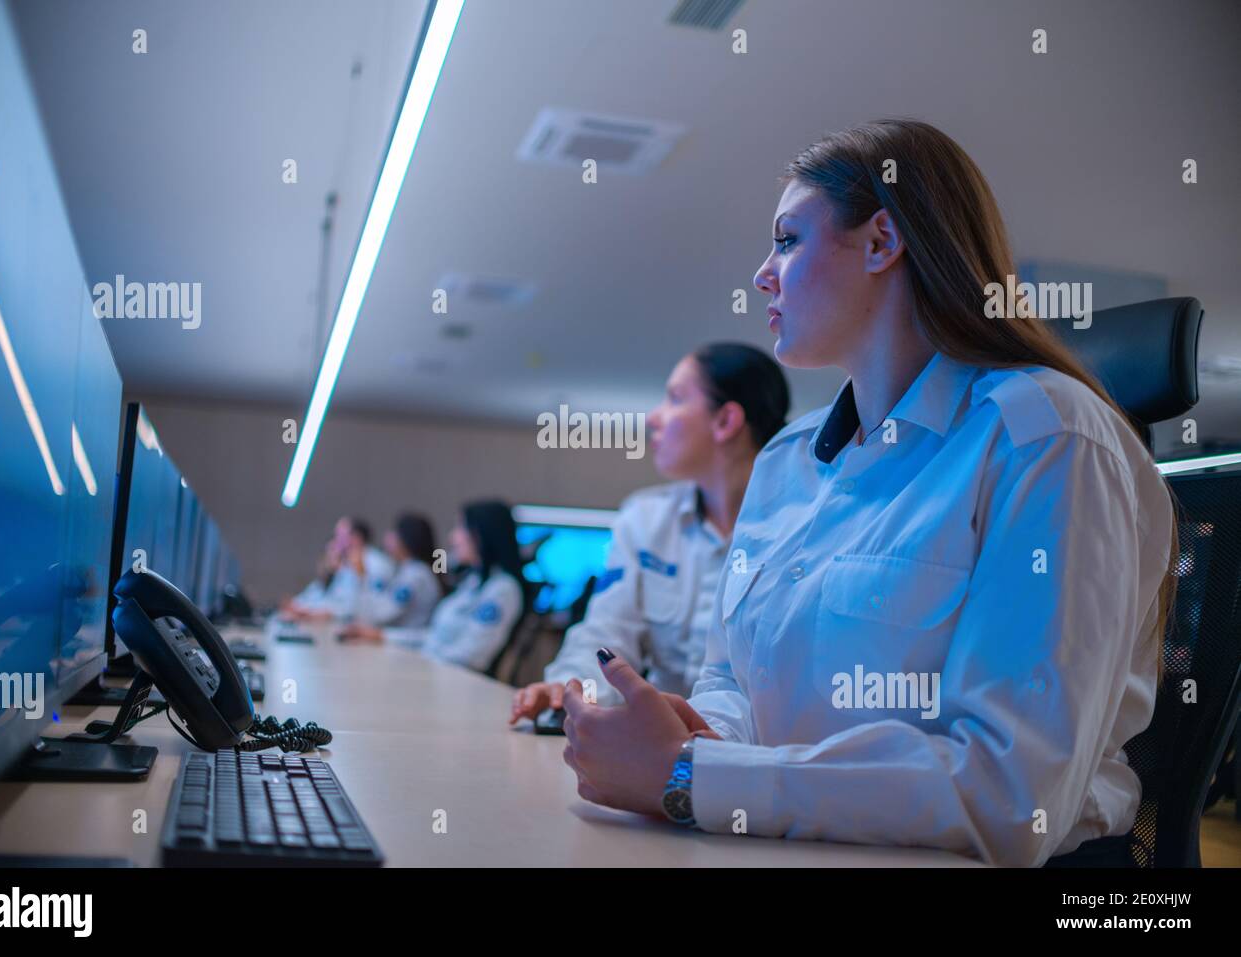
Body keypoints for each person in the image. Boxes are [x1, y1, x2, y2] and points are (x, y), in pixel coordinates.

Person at [558, 119, 1178, 868]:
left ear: (882, 243)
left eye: (788, 240)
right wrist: (698, 740)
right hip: (796, 843)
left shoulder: (1045, 439)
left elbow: (1014, 795)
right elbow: (732, 682)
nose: (762, 273)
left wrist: (695, 775)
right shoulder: (787, 459)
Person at [509, 344, 789, 723]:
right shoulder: (645, 518)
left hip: (754, 759)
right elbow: (607, 633)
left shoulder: (799, 528)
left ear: (725, 421)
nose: (653, 418)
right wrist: (572, 690)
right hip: (656, 748)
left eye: (674, 399)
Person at [340, 501, 524, 674]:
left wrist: (415, 663)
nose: (453, 538)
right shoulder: (473, 582)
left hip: (455, 686)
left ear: (482, 534)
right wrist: (383, 636)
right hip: (436, 673)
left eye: (460, 528)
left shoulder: (503, 590)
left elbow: (471, 657)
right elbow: (434, 640)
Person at [342, 513, 444, 632]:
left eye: (394, 533)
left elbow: (380, 616)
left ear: (406, 539)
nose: (388, 537)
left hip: (406, 647)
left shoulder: (416, 575)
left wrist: (362, 577)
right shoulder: (407, 569)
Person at [281, 517, 393, 622]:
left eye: (340, 535)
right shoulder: (347, 563)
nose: (336, 539)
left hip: (370, 627)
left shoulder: (376, 563)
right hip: (350, 625)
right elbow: (336, 598)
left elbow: (375, 603)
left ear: (356, 537)